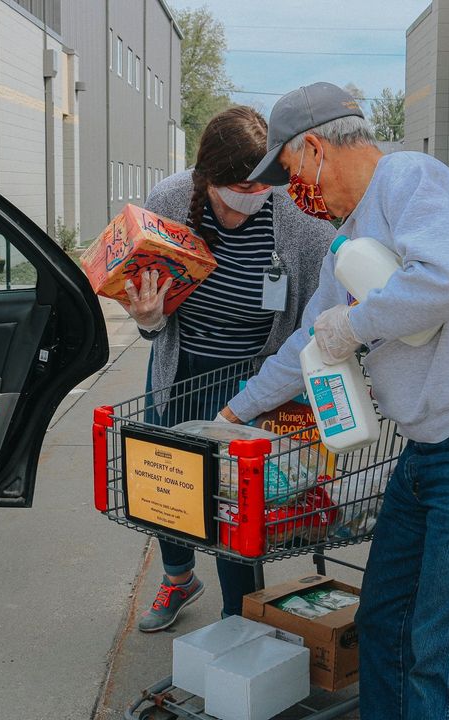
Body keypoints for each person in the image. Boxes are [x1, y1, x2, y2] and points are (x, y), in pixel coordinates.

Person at [218, 82, 449, 719]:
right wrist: (237, 411)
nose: (295, 193)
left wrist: (358, 323)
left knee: (444, 645)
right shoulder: (347, 239)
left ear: (315, 148)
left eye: (291, 174)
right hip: (429, 452)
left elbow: (448, 277)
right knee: (387, 619)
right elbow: (306, 345)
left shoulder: (409, 179)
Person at [120, 105, 335, 632]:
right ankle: (177, 578)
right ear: (206, 177)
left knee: (236, 501)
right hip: (183, 367)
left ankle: (239, 617)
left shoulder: (298, 221)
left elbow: (322, 311)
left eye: (262, 185)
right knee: (169, 482)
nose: (253, 196)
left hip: (255, 380)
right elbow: (153, 316)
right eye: (238, 187)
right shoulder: (170, 201)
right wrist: (148, 320)